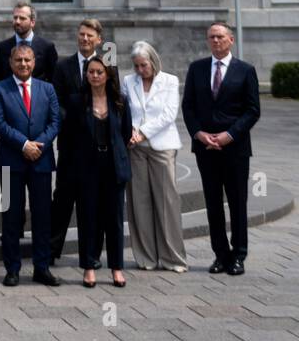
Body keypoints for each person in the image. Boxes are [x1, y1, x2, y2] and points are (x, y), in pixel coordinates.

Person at [181, 22, 260, 277]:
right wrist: (199, 133)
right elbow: (188, 107)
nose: (215, 41)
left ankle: (238, 255)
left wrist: (230, 135)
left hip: (234, 149)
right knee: (213, 203)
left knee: (237, 203)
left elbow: (252, 110)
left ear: (231, 40)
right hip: (206, 148)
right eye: (211, 37)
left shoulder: (245, 71)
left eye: (220, 37)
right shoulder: (197, 69)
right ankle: (220, 254)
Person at [0, 44, 62, 286]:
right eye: (18, 60)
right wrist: (23, 145)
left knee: (43, 216)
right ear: (11, 62)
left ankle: (42, 267)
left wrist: (37, 144)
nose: (23, 64)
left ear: (34, 62)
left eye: (28, 60)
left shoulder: (47, 88)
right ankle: (12, 268)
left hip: (41, 161)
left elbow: (54, 122)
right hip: (11, 161)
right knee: (12, 217)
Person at [122, 42, 187, 272]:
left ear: (153, 61)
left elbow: (170, 114)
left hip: (162, 146)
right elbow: (125, 110)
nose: (140, 70)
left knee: (167, 201)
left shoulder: (169, 81)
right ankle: (145, 257)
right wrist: (130, 132)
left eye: (144, 65)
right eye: (136, 66)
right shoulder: (129, 82)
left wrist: (143, 133)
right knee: (139, 202)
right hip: (135, 148)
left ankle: (173, 258)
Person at [73, 56, 133, 289]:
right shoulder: (78, 101)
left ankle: (116, 268)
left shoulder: (120, 102)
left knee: (114, 219)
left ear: (107, 75)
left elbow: (126, 134)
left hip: (113, 166)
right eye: (91, 72)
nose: (94, 76)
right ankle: (89, 267)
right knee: (88, 217)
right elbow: (71, 136)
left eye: (99, 72)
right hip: (88, 166)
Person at [50, 18, 103, 262]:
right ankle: (51, 252)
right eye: (81, 34)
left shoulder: (106, 67)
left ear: (98, 40)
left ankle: (89, 255)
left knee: (90, 203)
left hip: (97, 149)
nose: (84, 39)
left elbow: (112, 103)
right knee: (62, 200)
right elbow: (56, 102)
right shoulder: (63, 66)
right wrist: (75, 119)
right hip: (70, 145)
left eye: (89, 35)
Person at [0, 2, 58, 84]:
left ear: (32, 22)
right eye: (15, 18)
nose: (17, 22)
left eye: (22, 18)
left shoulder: (47, 48)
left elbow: (54, 79)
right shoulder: (2, 48)